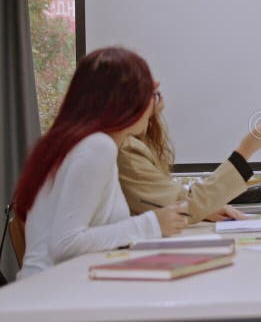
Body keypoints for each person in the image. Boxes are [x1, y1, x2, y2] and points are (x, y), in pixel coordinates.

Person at [14, 47, 188, 279]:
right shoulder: (98, 147)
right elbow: (66, 244)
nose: (154, 106)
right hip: (57, 295)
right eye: (149, 94)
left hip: (56, 289)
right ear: (125, 100)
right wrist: (152, 224)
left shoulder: (76, 143)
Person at [118, 88, 261, 224]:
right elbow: (183, 205)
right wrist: (246, 149)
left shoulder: (138, 141)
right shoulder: (127, 149)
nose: (157, 83)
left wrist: (203, 211)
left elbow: (168, 203)